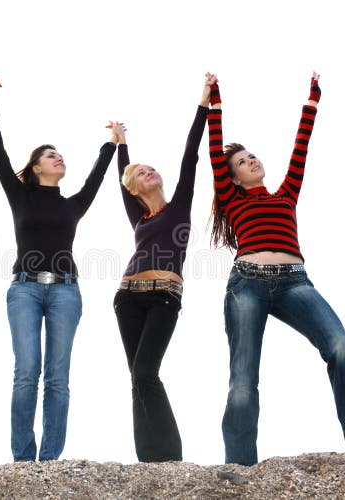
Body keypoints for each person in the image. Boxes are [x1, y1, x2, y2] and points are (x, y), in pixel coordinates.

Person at [207, 73, 345, 466]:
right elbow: (215, 149)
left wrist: (311, 103)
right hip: (246, 284)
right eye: (243, 161)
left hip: (294, 283)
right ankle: (240, 467)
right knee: (244, 380)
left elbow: (302, 145)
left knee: (342, 348)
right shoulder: (232, 197)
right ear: (232, 177)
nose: (252, 161)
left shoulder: (285, 194)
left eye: (253, 156)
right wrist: (216, 104)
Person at [0, 77, 119, 462]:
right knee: (27, 372)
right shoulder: (19, 194)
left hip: (65, 291)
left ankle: (50, 461)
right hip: (24, 289)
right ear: (36, 166)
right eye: (50, 154)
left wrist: (113, 143)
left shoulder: (72, 205)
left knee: (57, 379)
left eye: (60, 154)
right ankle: (24, 461)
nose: (59, 158)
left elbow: (96, 179)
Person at [109, 75, 213, 462]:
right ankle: (147, 460)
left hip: (165, 296)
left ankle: (170, 457)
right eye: (140, 172)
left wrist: (202, 104)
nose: (148, 172)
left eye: (151, 168)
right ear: (133, 188)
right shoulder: (139, 215)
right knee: (137, 378)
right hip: (128, 296)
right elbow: (121, 183)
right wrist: (122, 146)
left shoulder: (178, 206)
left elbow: (191, 155)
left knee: (147, 373)